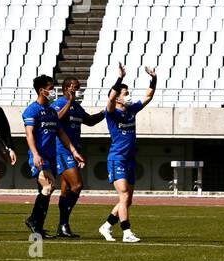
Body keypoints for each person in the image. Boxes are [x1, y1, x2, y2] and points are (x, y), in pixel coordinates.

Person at [97, 64, 156, 244]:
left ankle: (106, 226)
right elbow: (110, 98)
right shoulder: (111, 113)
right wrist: (120, 78)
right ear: (118, 98)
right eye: (125, 93)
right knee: (123, 196)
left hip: (130, 160)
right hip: (117, 159)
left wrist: (153, 78)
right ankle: (126, 231)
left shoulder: (131, 111)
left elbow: (148, 96)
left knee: (127, 200)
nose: (128, 95)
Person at [22, 74, 83, 239]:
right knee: (48, 188)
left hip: (51, 157)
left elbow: (61, 133)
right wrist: (35, 154)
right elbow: (29, 135)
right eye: (50, 88)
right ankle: (34, 221)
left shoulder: (51, 112)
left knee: (47, 191)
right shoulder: (32, 110)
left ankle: (37, 225)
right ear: (42, 91)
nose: (53, 91)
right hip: (39, 157)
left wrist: (74, 151)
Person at [51, 76, 102, 238]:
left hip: (74, 151)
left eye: (79, 88)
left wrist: (107, 111)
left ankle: (62, 226)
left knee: (66, 191)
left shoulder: (77, 107)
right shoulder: (59, 104)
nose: (78, 91)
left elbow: (90, 121)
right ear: (67, 88)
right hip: (62, 150)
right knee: (77, 185)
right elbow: (55, 119)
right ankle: (63, 224)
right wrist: (68, 102)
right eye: (75, 87)